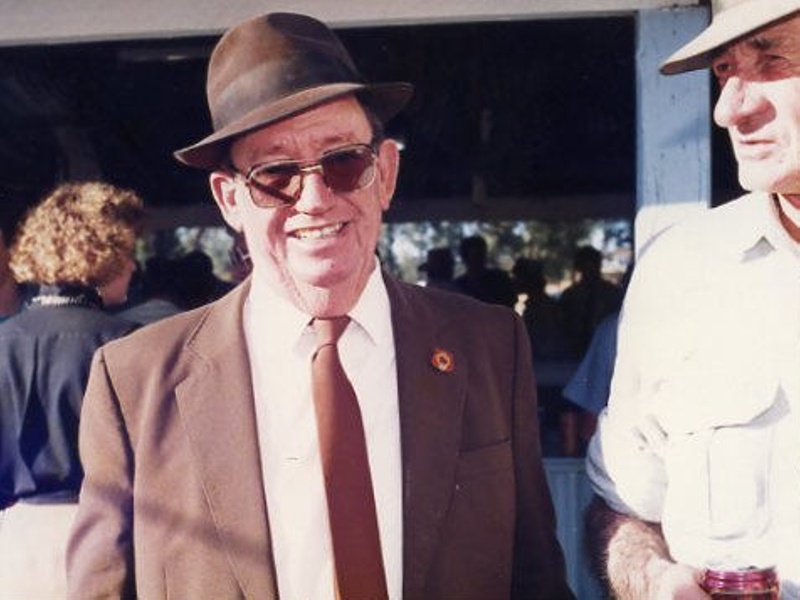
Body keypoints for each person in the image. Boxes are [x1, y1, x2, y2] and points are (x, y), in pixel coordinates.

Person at [67, 12, 574, 600]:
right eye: (275, 174)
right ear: (230, 199)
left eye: (343, 161)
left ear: (385, 173)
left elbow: (536, 581)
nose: (314, 198)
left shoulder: (489, 346)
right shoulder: (135, 380)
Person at [585, 1, 800, 598]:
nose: (729, 108)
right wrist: (652, 578)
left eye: (772, 59)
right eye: (724, 69)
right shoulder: (680, 270)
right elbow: (623, 508)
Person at [0, 181, 143, 598]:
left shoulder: (4, 341)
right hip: (112, 540)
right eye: (127, 251)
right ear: (102, 253)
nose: (133, 266)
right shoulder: (132, 343)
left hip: (12, 546)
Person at [558, 245, 623, 359]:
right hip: (573, 354)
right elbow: (563, 327)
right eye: (586, 265)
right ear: (579, 267)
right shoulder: (569, 295)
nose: (590, 269)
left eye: (593, 264)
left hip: (606, 350)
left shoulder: (612, 293)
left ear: (599, 265)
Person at [454, 234, 517, 307]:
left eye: (481, 255)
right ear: (464, 258)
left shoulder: (500, 278)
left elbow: (510, 302)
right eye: (476, 256)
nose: (480, 260)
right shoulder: (458, 286)